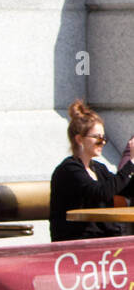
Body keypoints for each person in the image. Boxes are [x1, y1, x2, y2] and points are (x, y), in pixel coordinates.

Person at [49, 99, 134, 242]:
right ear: (79, 139)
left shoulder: (99, 169)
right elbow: (101, 192)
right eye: (97, 138)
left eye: (104, 138)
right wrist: (131, 162)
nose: (103, 142)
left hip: (103, 239)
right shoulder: (69, 170)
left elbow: (125, 189)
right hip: (76, 242)